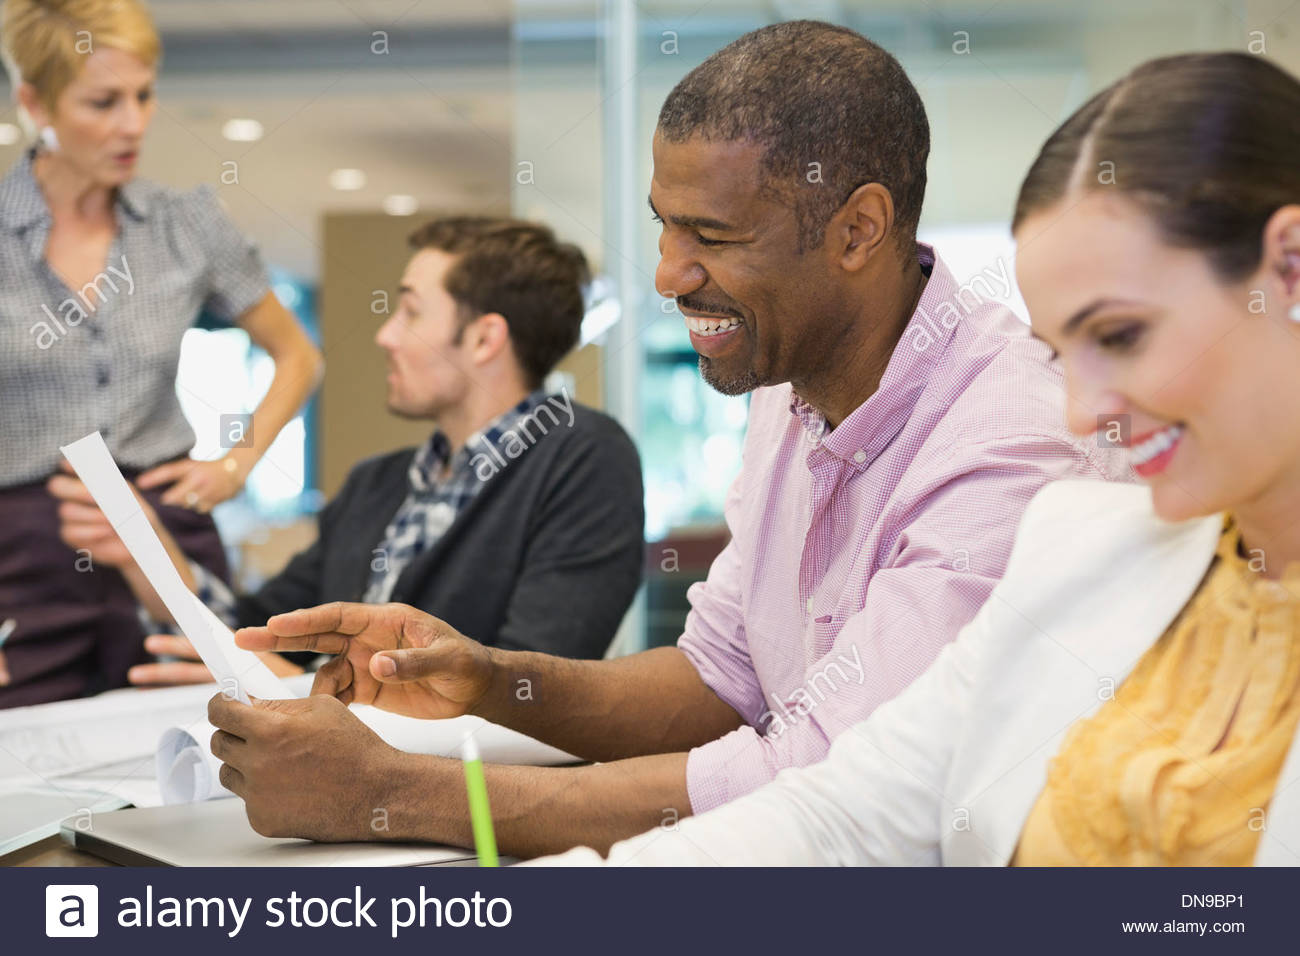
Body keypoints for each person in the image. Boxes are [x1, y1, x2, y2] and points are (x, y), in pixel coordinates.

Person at [206, 21, 1129, 856]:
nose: (667, 275)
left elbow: (821, 788)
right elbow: (717, 679)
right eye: (663, 225)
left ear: (858, 229)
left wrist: (391, 794)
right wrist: (487, 679)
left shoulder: (1008, 448)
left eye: (712, 237)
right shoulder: (790, 382)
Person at [523, 50, 1300, 866]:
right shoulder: (1082, 543)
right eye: (1063, 351)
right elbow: (844, 812)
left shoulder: (1029, 470)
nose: (1083, 411)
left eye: (1122, 337)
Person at [52, 216, 647, 680]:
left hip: (475, 818)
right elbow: (256, 633)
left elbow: (527, 687)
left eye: (411, 312)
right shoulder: (377, 484)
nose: (386, 335)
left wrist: (297, 686)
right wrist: (142, 546)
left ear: (485, 338)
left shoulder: (584, 458)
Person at [0, 0, 322, 707]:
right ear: (34, 102)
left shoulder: (187, 223)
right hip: (23, 549)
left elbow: (298, 355)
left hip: (165, 531)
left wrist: (236, 464)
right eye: (103, 101)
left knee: (206, 741)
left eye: (143, 96)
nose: (134, 123)